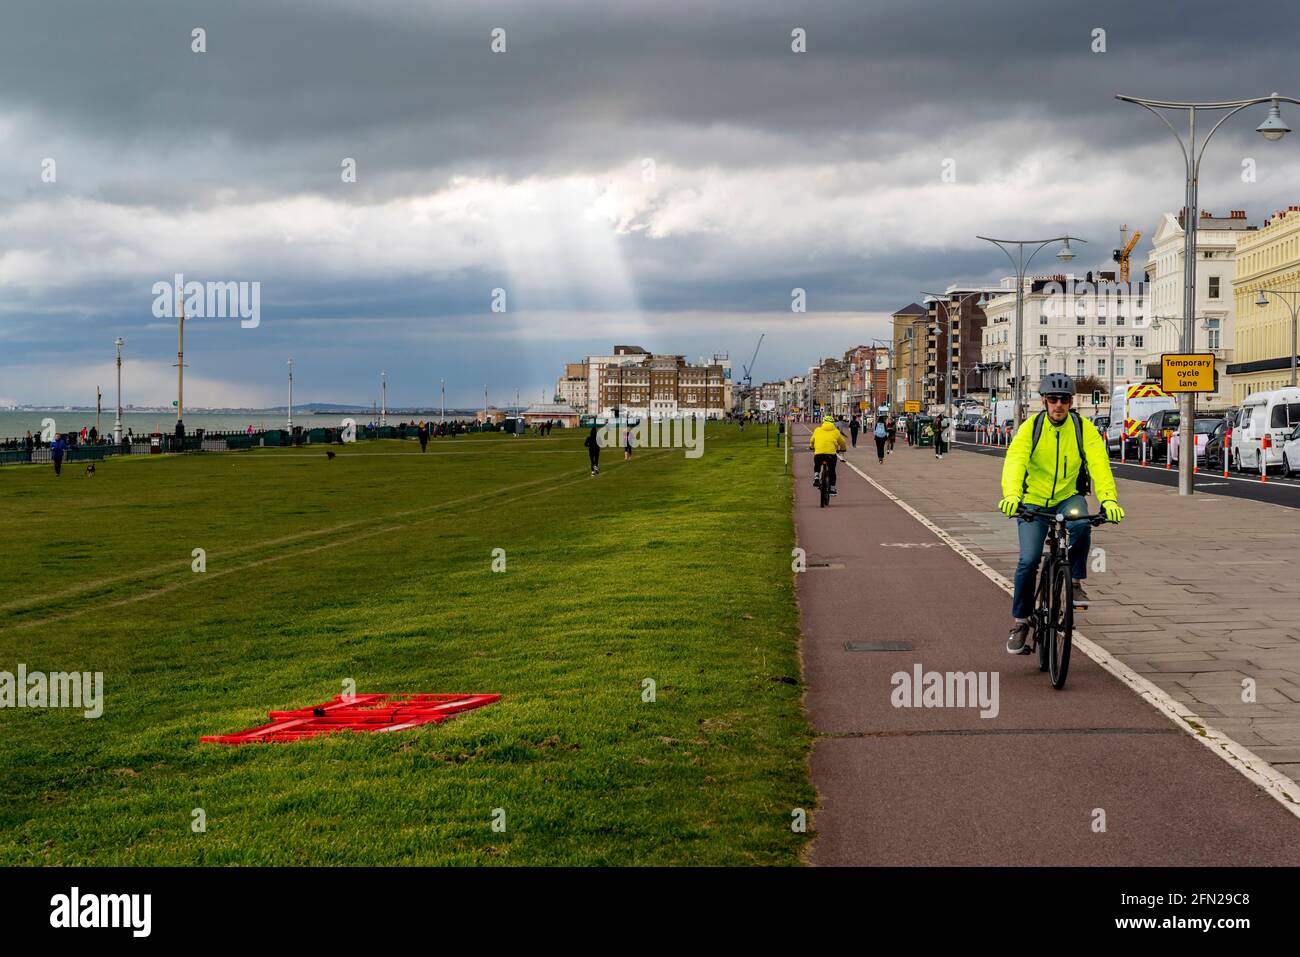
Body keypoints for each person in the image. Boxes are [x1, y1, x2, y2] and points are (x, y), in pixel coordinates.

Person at [998, 373, 1125, 655]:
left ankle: (1076, 580)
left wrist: (1109, 500)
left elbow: (1099, 464)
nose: (1059, 405)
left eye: (1064, 400)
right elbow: (1015, 462)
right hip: (1033, 501)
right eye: (1053, 399)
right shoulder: (1031, 428)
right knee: (1028, 559)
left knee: (1081, 523)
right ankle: (1021, 622)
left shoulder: (1083, 428)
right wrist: (1011, 496)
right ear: (1044, 401)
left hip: (1068, 498)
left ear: (1071, 402)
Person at [808, 414, 847, 496]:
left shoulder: (817, 430)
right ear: (833, 423)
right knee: (832, 470)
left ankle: (816, 477)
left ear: (823, 422)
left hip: (819, 454)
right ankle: (832, 488)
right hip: (831, 455)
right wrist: (843, 449)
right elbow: (842, 442)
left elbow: (812, 440)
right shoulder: (836, 431)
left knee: (817, 464)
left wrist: (811, 447)